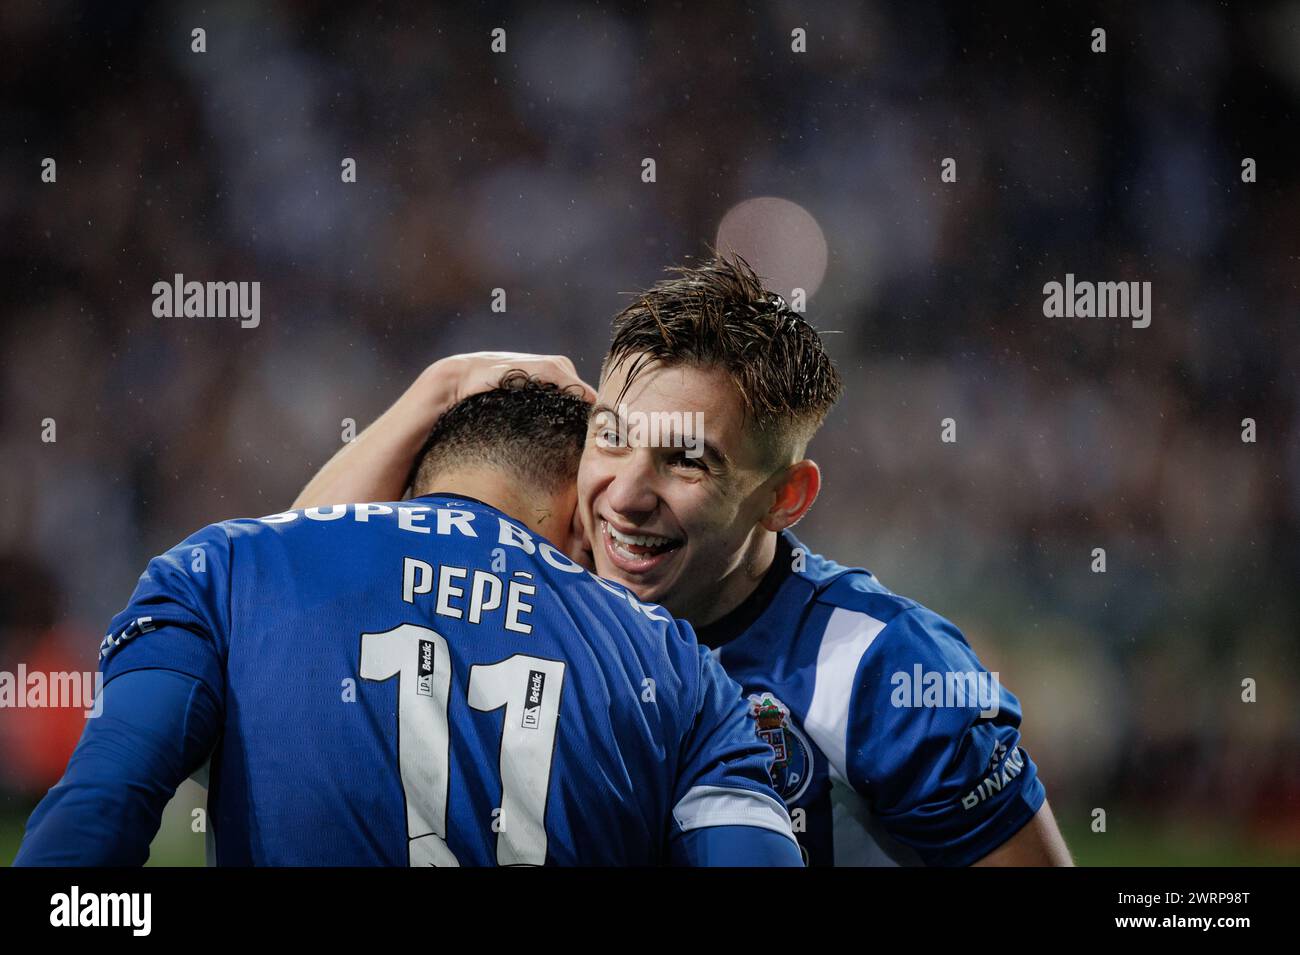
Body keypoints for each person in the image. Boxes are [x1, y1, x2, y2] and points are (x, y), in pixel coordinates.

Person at [292, 257, 1073, 866]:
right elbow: (295, 587)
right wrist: (441, 388)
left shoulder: (879, 669)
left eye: (688, 462)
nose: (625, 497)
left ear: (785, 498)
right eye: (612, 435)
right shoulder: (543, 571)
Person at [15, 374, 801, 866]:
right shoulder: (680, 670)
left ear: (418, 477)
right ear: (580, 516)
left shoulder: (217, 572)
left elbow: (98, 812)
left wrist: (436, 386)